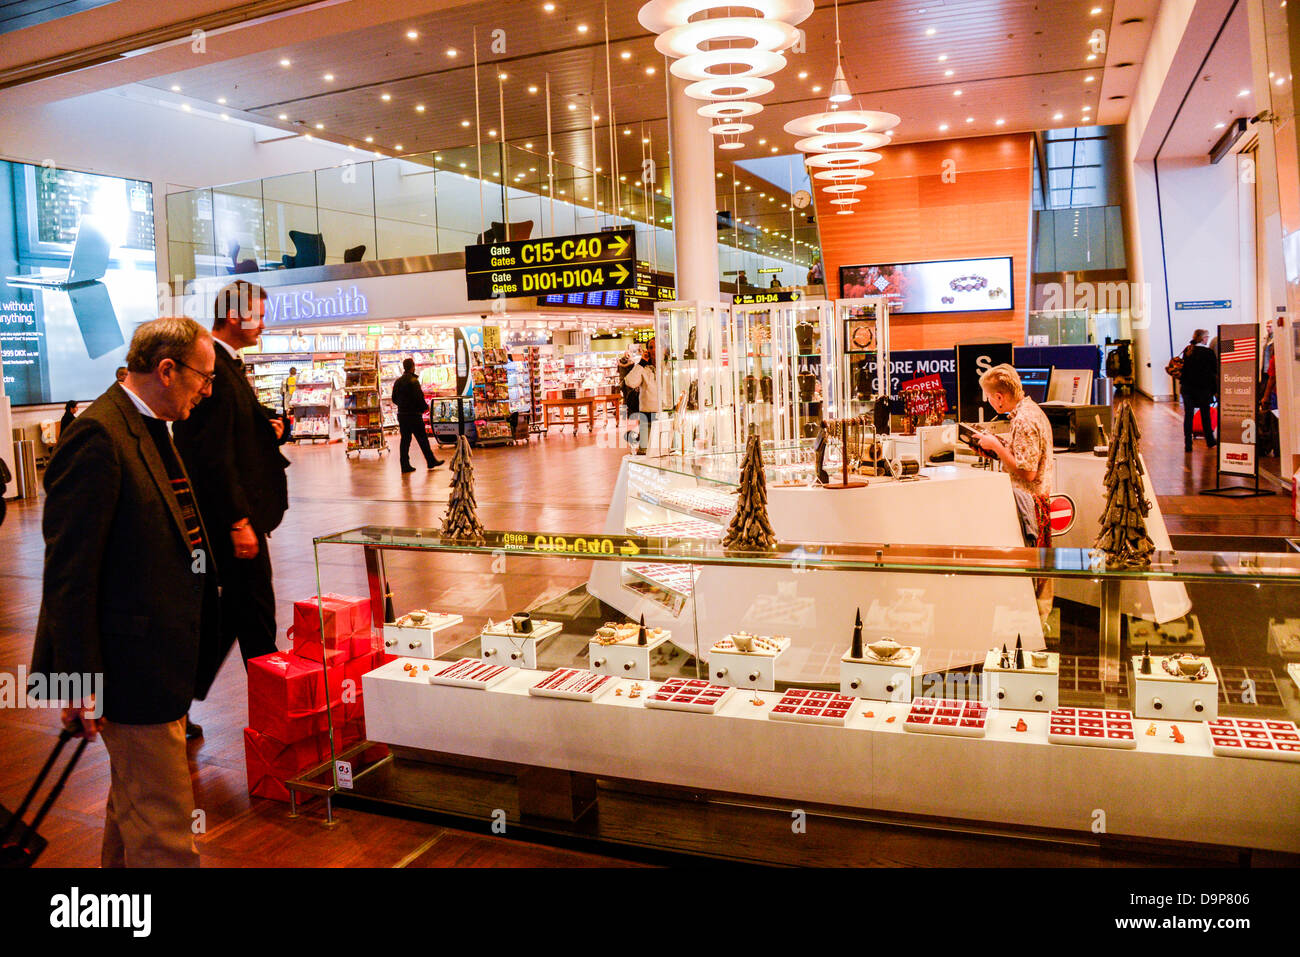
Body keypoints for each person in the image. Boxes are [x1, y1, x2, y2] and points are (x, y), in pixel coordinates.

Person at [31, 317, 219, 867]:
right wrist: (75, 679)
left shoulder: (149, 426)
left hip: (161, 662)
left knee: (134, 809)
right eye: (202, 379)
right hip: (130, 670)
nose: (205, 391)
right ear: (167, 370)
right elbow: (69, 572)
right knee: (164, 831)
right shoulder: (99, 435)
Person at [173, 280, 290, 701]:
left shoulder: (228, 365)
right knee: (255, 614)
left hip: (238, 518)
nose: (264, 323)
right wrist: (239, 520)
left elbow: (233, 434)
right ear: (235, 316)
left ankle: (178, 698)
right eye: (258, 314)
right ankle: (276, 705)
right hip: (233, 522)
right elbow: (211, 453)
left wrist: (272, 429)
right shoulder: (214, 370)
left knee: (231, 614)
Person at [974, 364, 1055, 620]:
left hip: (1030, 506)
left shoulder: (1025, 420)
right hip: (1035, 503)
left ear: (999, 397)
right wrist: (995, 445)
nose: (989, 402)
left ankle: (1032, 626)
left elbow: (1027, 472)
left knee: (1032, 573)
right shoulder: (1030, 413)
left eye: (989, 397)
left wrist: (997, 447)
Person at [392, 356, 443, 473]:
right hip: (414, 415)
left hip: (402, 415)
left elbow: (394, 398)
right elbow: (419, 398)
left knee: (405, 440)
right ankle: (430, 461)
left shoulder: (398, 381)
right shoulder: (414, 381)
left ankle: (404, 465)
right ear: (412, 367)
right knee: (422, 439)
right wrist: (424, 408)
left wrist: (402, 405)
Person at [1178, 329, 1218, 452]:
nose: (1207, 339)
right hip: (1203, 389)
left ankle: (1188, 443)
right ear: (1203, 338)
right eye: (1207, 337)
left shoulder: (1188, 350)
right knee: (1205, 415)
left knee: (1188, 415)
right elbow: (1213, 372)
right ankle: (1210, 441)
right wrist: (1214, 390)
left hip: (1187, 388)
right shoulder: (1208, 353)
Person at [623, 339, 661, 455]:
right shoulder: (643, 368)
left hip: (665, 414)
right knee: (645, 452)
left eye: (656, 346)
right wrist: (641, 363)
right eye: (650, 347)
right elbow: (630, 382)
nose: (653, 350)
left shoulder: (669, 366)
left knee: (665, 450)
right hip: (647, 416)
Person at [617, 348, 640, 447]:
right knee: (629, 400)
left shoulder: (619, 363)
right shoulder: (630, 363)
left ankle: (624, 415)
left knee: (625, 400)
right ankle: (629, 414)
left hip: (622, 382)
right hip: (628, 384)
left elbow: (619, 370)